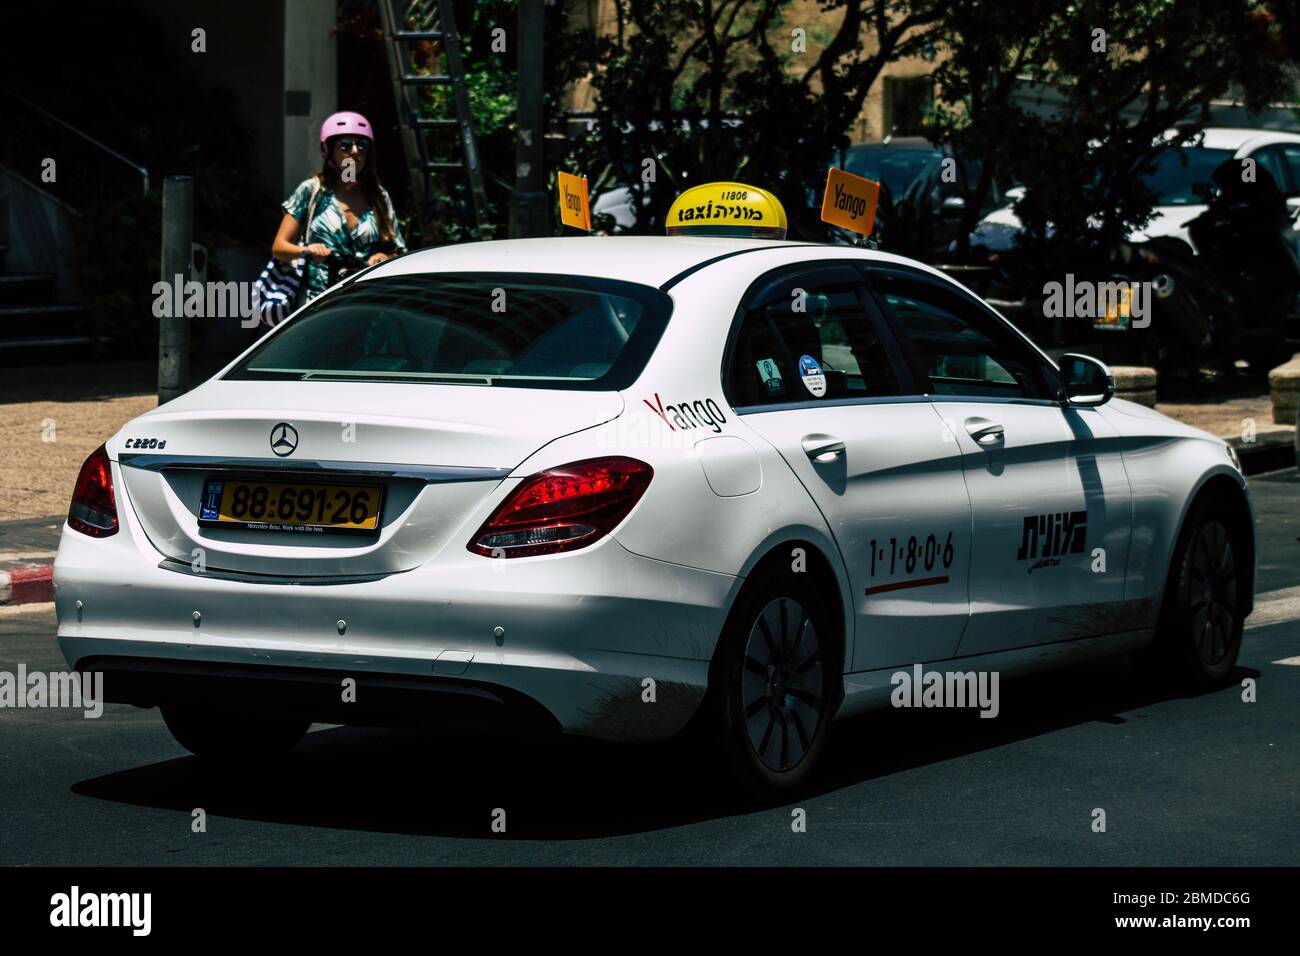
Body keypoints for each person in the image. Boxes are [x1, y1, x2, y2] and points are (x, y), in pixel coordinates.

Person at [271, 111, 406, 303]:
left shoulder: (378, 196)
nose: (354, 151)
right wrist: (308, 251)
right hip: (318, 302)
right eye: (345, 145)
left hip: (367, 301)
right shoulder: (312, 191)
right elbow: (279, 247)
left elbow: (398, 251)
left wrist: (384, 257)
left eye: (362, 145)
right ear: (329, 150)